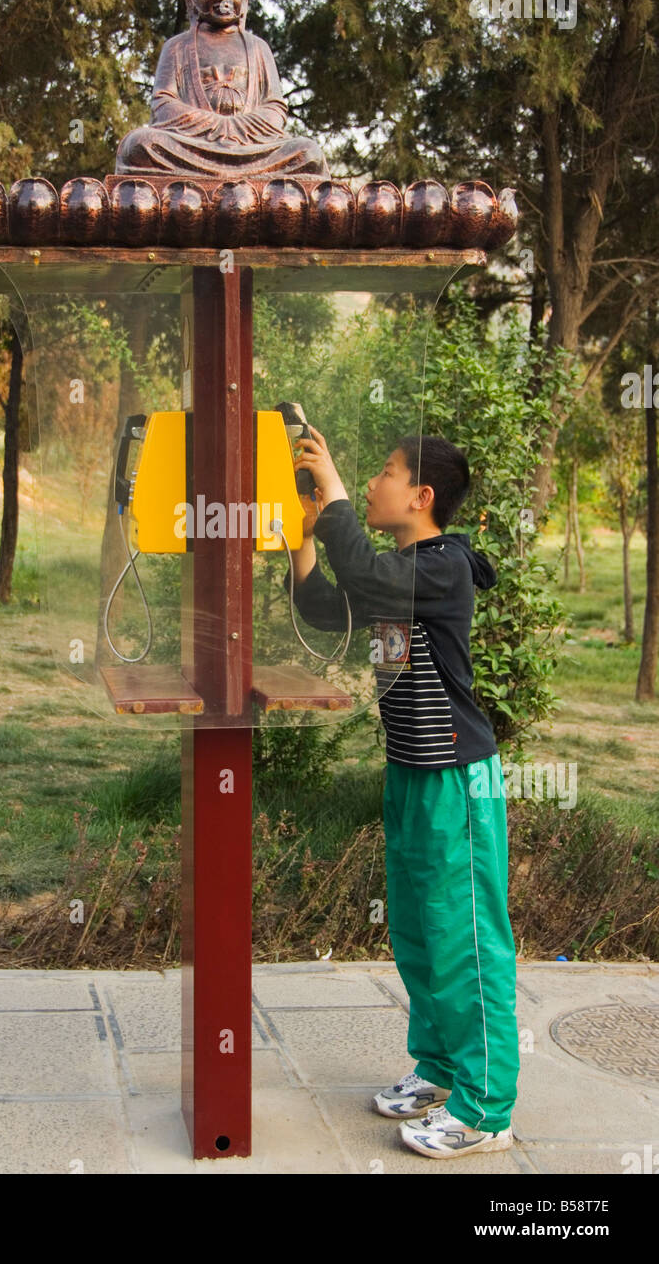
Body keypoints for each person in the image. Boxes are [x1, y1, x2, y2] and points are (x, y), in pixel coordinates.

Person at [283, 428, 519, 1160]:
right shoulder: (396, 572)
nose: (373, 483)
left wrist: (334, 499)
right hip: (412, 776)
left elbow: (363, 569)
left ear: (421, 496)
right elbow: (327, 605)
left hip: (456, 783)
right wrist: (301, 538)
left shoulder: (441, 566)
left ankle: (486, 1109)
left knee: (468, 943)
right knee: (419, 934)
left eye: (383, 474)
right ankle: (441, 1069)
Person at [115, 0, 329, 177]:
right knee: (140, 144)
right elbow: (163, 105)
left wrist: (237, 127)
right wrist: (217, 125)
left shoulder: (258, 48)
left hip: (252, 148)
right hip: (194, 147)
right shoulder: (177, 47)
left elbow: (275, 108)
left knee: (308, 153)